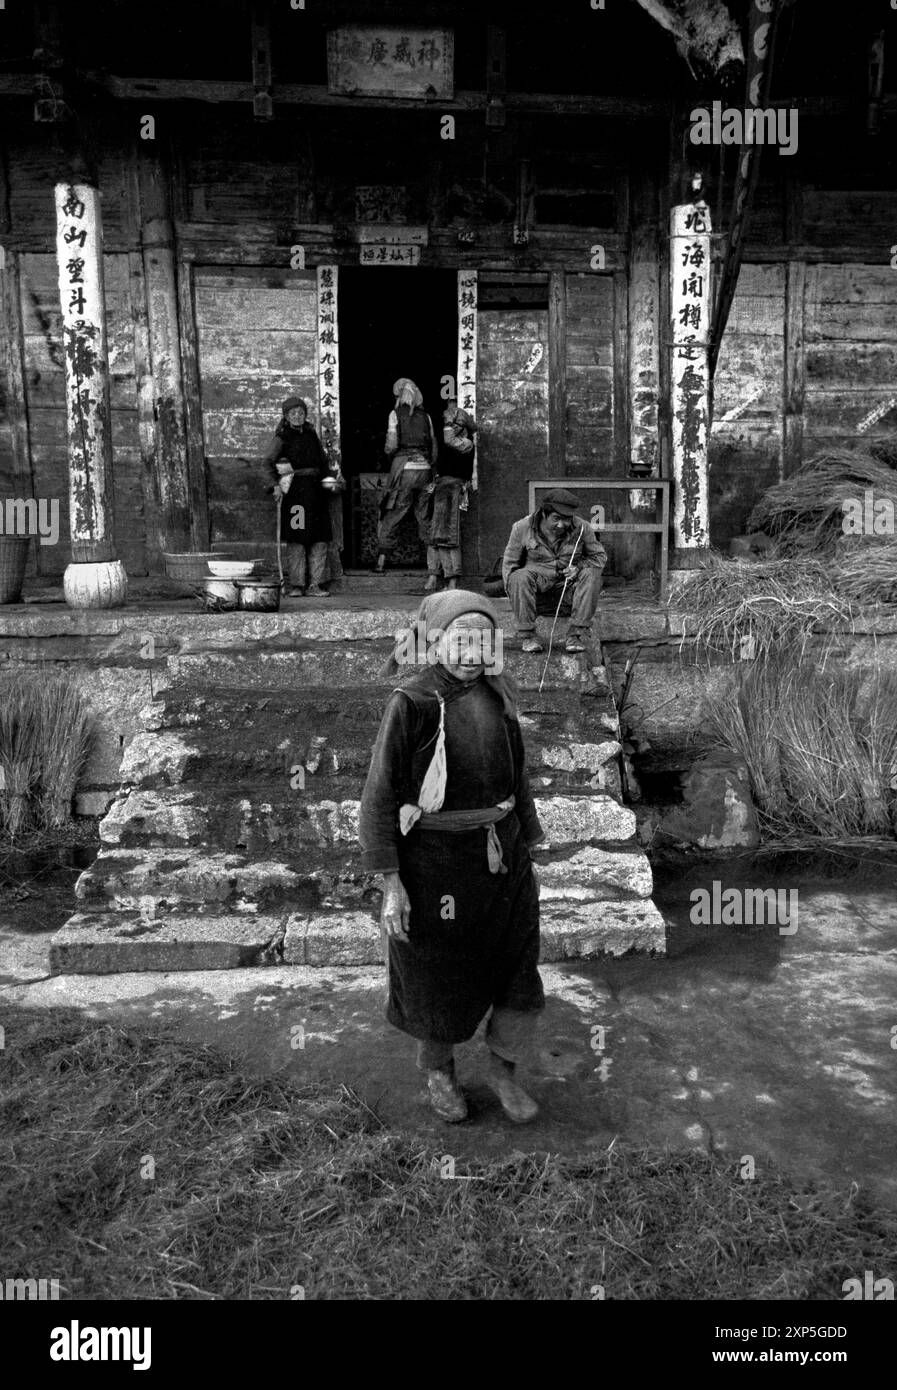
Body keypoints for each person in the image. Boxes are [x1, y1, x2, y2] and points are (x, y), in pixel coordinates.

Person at [359, 589, 546, 1125]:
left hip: (503, 860)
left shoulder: (497, 693)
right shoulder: (412, 702)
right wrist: (391, 885)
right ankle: (439, 1072)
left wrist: (530, 840)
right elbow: (378, 797)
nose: (471, 652)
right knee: (436, 976)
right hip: (435, 864)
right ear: (433, 640)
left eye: (482, 640)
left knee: (516, 972)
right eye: (459, 639)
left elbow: (518, 777)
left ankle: (503, 1071)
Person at [502, 488, 607, 654]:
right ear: (544, 513)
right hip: (536, 598)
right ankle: (528, 636)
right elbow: (509, 566)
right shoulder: (522, 528)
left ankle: (575, 635)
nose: (561, 525)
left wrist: (578, 568)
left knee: (592, 574)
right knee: (518, 576)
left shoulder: (582, 528)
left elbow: (599, 557)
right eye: (556, 519)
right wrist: (517, 598)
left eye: (566, 520)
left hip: (568, 596)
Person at [260, 397, 336, 597]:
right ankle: (297, 585)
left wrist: (331, 481)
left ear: (305, 415)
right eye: (293, 413)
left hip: (317, 495)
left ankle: (315, 586)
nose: (297, 416)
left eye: (300, 412)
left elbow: (323, 462)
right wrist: (274, 486)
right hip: (296, 495)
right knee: (298, 539)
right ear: (286, 416)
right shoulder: (282, 438)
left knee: (319, 540)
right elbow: (266, 462)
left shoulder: (311, 434)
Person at [373, 378, 438, 575]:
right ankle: (433, 569)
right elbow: (434, 448)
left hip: (405, 470)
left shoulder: (395, 414)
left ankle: (381, 562)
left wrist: (387, 454)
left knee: (393, 510)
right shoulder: (426, 417)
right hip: (426, 471)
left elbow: (391, 444)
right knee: (424, 514)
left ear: (398, 395)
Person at [424, 399, 477, 594]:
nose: (449, 427)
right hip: (441, 487)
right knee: (436, 535)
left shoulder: (466, 443)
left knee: (449, 536)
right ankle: (433, 577)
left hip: (454, 488)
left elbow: (449, 441)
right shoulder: (446, 440)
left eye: (453, 424)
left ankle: (452, 581)